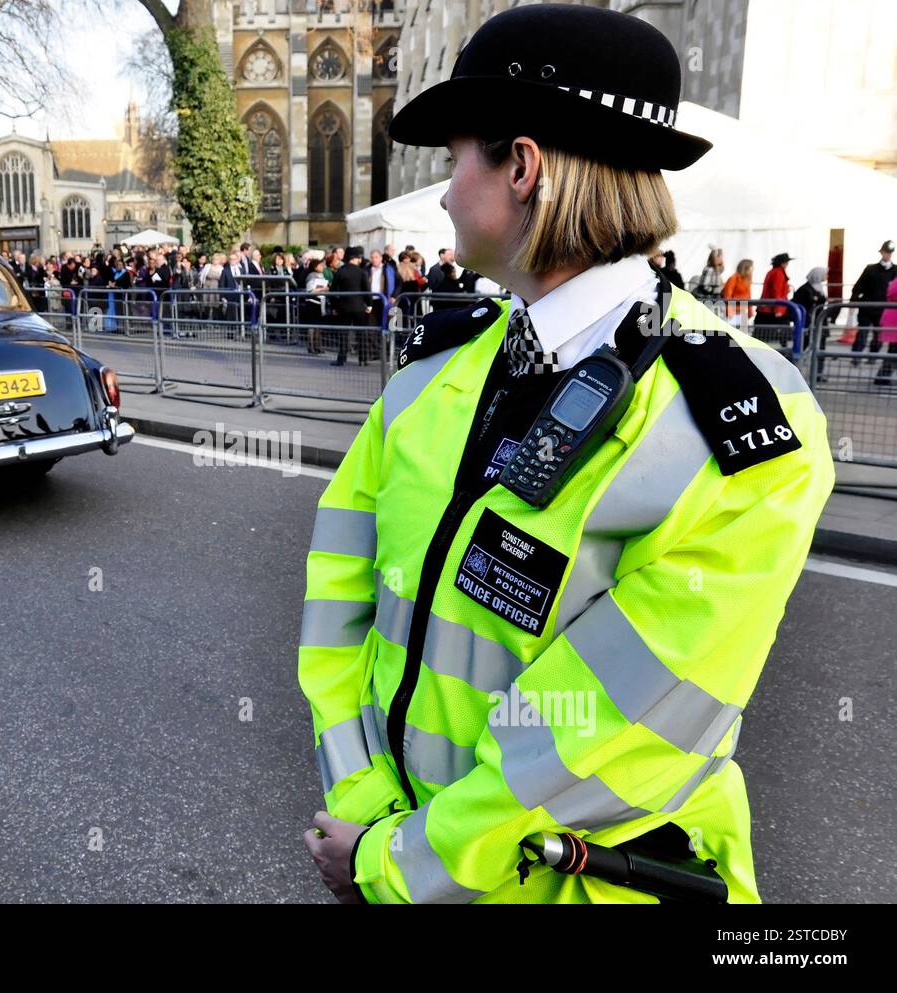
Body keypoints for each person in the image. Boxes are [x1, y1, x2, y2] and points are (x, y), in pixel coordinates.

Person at [298, 2, 832, 906]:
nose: (440, 193)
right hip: (389, 844)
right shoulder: (429, 379)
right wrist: (369, 805)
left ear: (522, 167)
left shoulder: (742, 426)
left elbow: (601, 729)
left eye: (455, 157)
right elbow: (336, 611)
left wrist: (394, 863)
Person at [328, 246, 373, 366]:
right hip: (359, 308)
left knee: (343, 334)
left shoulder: (340, 271)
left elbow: (332, 291)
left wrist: (335, 307)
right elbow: (367, 291)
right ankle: (363, 359)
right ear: (356, 258)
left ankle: (341, 359)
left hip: (343, 308)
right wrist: (369, 304)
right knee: (362, 334)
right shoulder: (361, 272)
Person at [849, 240, 896, 354]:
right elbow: (859, 286)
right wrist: (853, 302)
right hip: (867, 306)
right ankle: (856, 355)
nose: (887, 255)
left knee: (878, 334)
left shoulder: (895, 270)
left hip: (883, 308)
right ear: (881, 253)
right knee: (862, 332)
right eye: (885, 252)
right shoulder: (871, 269)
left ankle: (873, 355)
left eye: (889, 253)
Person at [754, 253, 794, 345]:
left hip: (766, 309)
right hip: (772, 310)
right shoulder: (778, 273)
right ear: (783, 263)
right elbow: (777, 292)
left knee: (761, 336)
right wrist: (778, 310)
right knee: (777, 337)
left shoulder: (773, 272)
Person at [721, 257, 754, 326]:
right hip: (733, 314)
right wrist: (729, 312)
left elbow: (748, 297)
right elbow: (727, 296)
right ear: (746, 268)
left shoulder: (747, 280)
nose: (753, 269)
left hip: (743, 312)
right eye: (752, 267)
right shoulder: (733, 279)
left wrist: (750, 311)